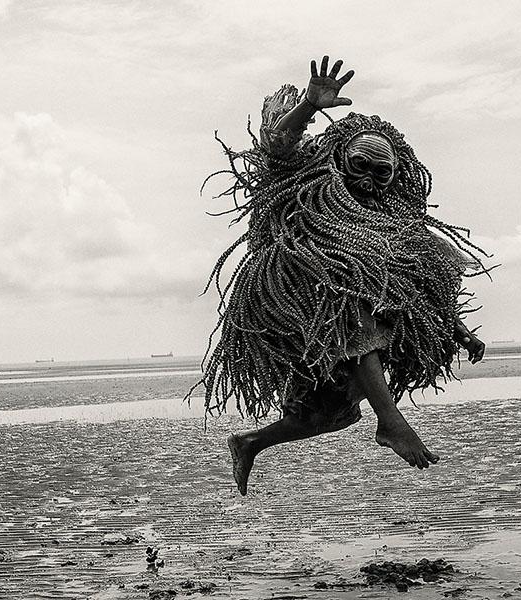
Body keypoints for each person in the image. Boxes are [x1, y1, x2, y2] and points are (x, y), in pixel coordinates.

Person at [195, 55, 489, 496]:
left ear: (396, 175)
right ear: (337, 159)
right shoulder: (308, 182)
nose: (370, 178)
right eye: (360, 165)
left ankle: (249, 443)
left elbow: (420, 289)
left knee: (327, 413)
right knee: (352, 300)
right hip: (298, 294)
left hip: (343, 323)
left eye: (381, 171)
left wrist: (458, 332)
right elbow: (277, 145)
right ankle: (391, 421)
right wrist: (309, 106)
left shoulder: (393, 225)